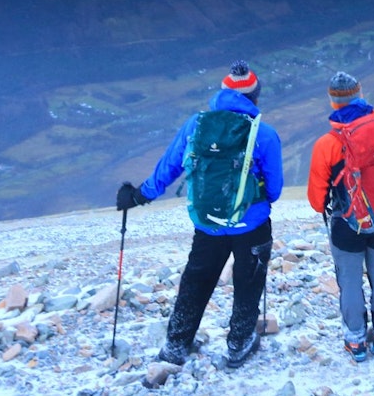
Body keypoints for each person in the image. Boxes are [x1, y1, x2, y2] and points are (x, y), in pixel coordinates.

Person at [116, 60, 282, 369]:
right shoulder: (265, 134)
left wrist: (139, 195)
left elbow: (169, 167)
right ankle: (238, 344)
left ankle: (176, 345)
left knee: (197, 280)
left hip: (208, 224)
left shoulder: (196, 125)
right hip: (252, 224)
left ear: (222, 93)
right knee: (248, 283)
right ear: (255, 96)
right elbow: (275, 188)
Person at [306, 71, 374, 362]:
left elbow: (317, 200)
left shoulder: (327, 144)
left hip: (346, 226)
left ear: (333, 102)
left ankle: (355, 342)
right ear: (360, 94)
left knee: (350, 281)